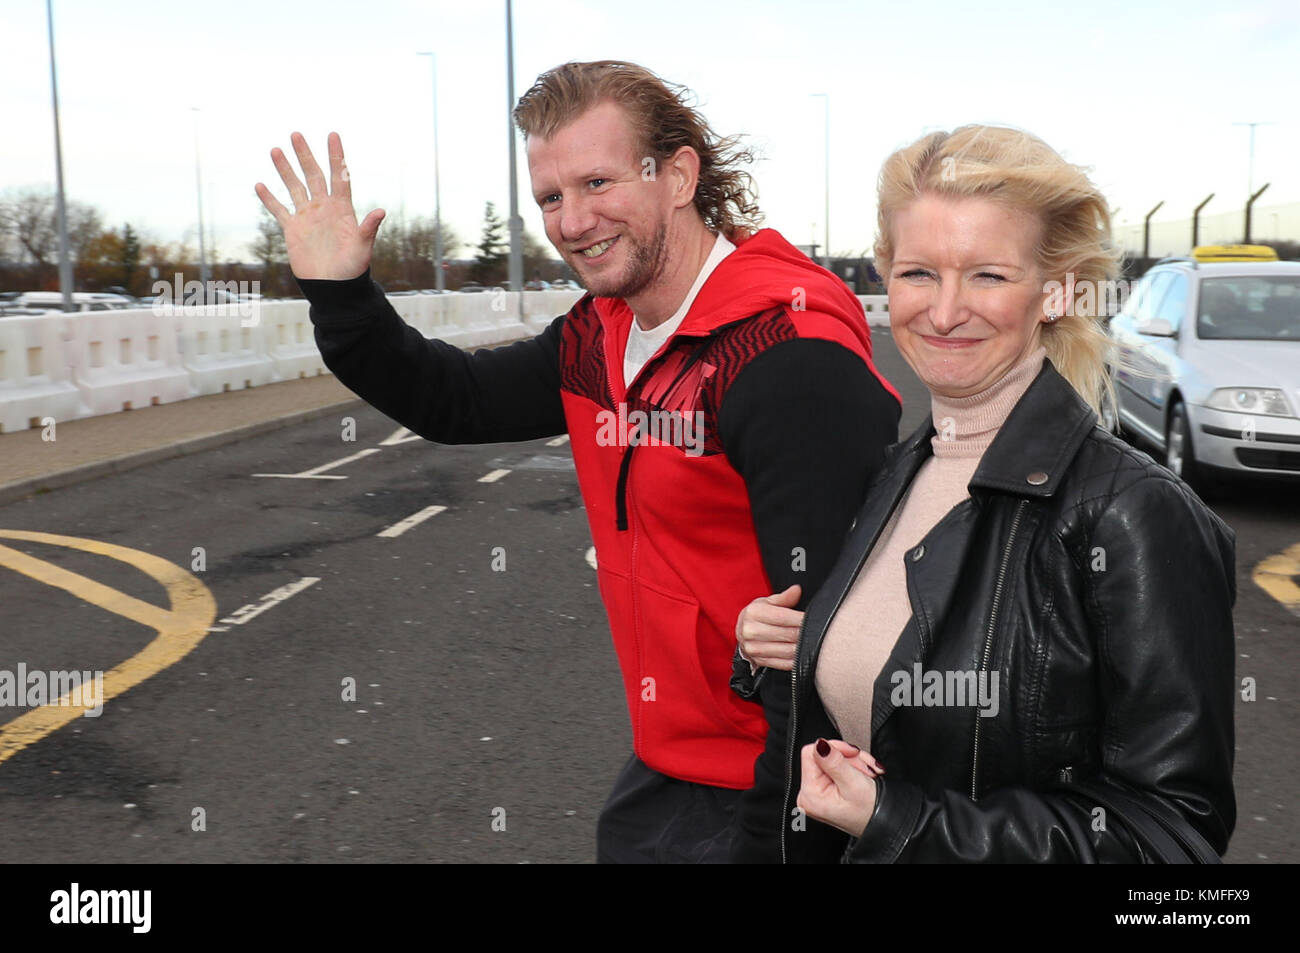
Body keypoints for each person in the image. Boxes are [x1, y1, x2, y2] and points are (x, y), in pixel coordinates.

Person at [255, 60, 901, 863]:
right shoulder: (600, 336)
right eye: (551, 198)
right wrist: (339, 292)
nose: (572, 221)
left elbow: (829, 644)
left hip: (778, 787)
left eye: (598, 182)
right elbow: (452, 399)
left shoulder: (783, 351)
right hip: (669, 768)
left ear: (677, 175)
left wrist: (782, 835)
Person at [733, 124, 1236, 863]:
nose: (942, 311)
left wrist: (900, 820)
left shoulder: (1131, 513)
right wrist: (788, 643)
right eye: (917, 273)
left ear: (1056, 292)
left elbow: (1173, 836)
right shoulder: (900, 471)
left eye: (988, 276)